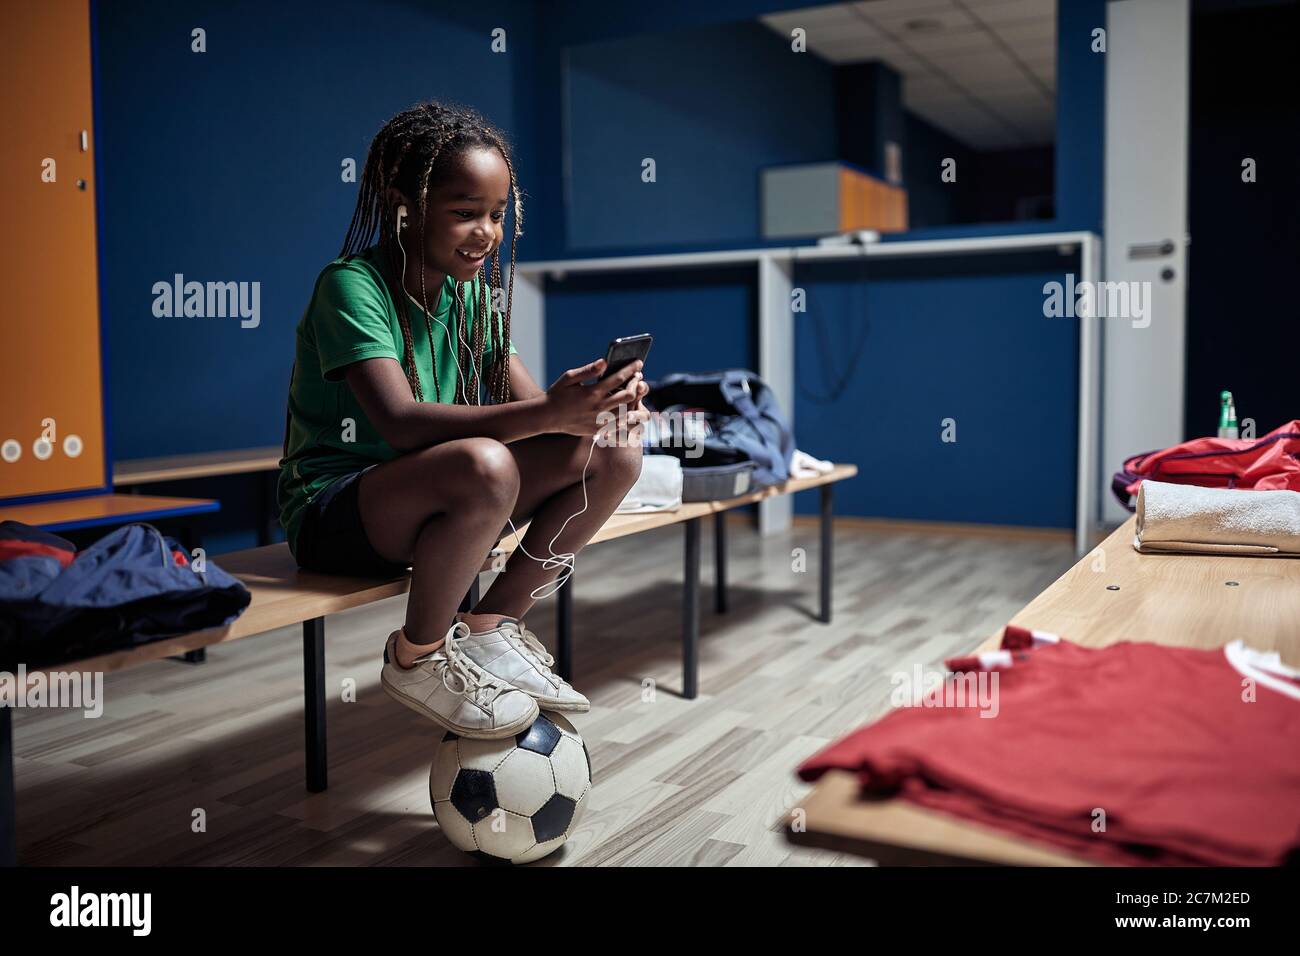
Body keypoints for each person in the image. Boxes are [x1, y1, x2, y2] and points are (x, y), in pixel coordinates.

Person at [278, 101, 648, 739]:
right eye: (464, 213)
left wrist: (597, 409)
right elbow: (399, 423)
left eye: (498, 215)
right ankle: (417, 656)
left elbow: (542, 421)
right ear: (403, 206)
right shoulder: (351, 286)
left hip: (440, 500)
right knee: (485, 460)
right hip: (335, 514)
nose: (486, 233)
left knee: (613, 451)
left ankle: (490, 627)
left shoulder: (473, 296)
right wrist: (551, 412)